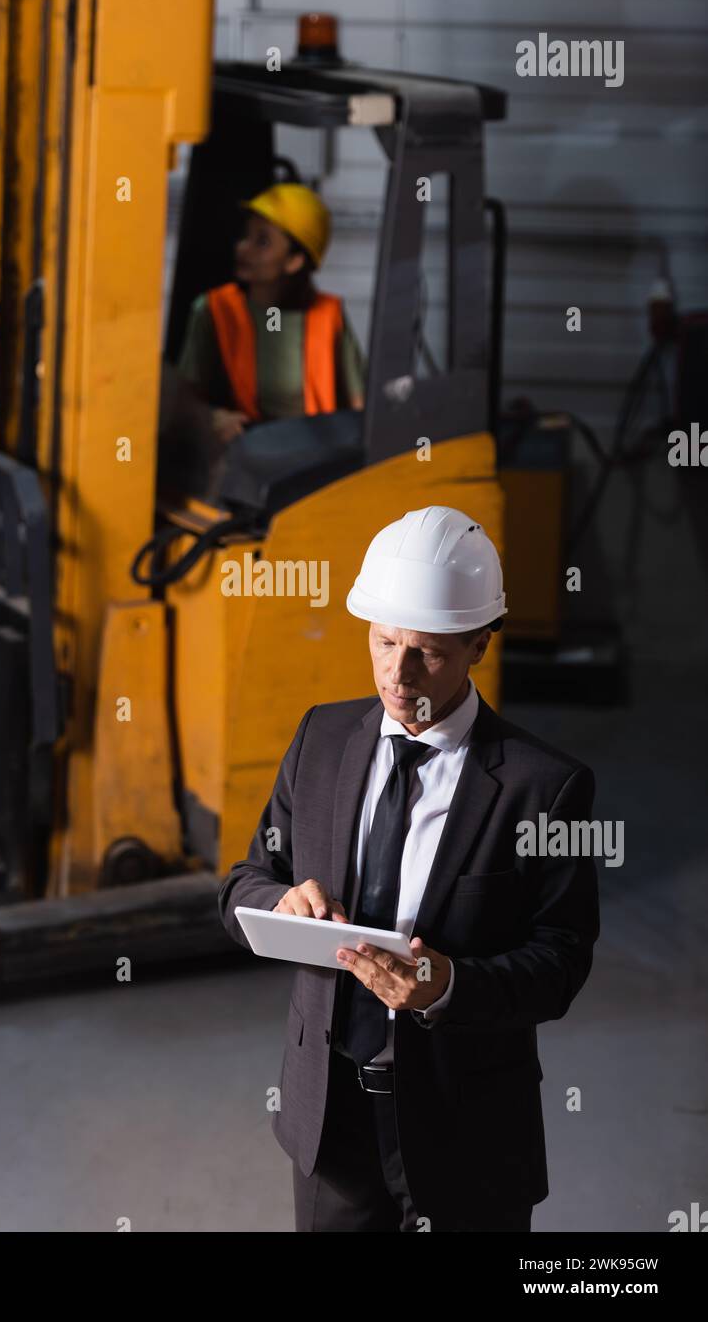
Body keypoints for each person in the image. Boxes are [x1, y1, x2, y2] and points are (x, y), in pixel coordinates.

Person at [218, 505, 600, 1233]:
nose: (397, 672)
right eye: (384, 641)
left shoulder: (544, 787)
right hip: (330, 1120)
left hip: (468, 1129)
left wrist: (447, 985)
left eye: (426, 651)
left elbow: (560, 964)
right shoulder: (320, 740)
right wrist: (278, 899)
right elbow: (243, 882)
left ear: (478, 646)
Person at [176, 183, 365, 453]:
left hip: (320, 464)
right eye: (245, 236)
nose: (243, 248)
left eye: (262, 241)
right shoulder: (215, 310)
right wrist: (213, 419)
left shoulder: (328, 316)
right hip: (245, 465)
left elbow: (361, 407)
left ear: (294, 261)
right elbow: (182, 400)